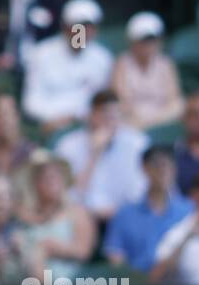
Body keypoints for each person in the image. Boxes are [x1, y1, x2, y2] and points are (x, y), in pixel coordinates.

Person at [53, 88, 148, 223]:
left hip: (124, 217)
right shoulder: (68, 146)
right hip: (83, 219)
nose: (110, 123)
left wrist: (117, 212)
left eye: (115, 117)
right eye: (105, 117)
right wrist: (94, 155)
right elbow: (68, 196)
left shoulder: (136, 144)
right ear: (91, 115)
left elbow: (139, 192)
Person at [21, 0, 113, 133]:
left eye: (90, 27)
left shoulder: (103, 58)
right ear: (65, 27)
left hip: (91, 126)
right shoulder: (41, 54)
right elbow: (31, 103)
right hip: (53, 126)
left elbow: (104, 101)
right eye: (79, 27)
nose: (85, 33)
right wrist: (59, 117)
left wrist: (79, 117)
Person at [102, 144, 194, 273]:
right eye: (157, 165)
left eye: (168, 165)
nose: (163, 170)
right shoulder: (125, 214)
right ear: (145, 168)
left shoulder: (189, 210)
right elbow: (115, 254)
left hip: (180, 284)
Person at [14, 150, 97, 280]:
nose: (52, 181)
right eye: (45, 177)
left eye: (56, 176)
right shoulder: (24, 216)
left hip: (68, 281)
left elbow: (83, 251)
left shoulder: (77, 212)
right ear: (35, 183)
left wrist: (52, 248)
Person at [110, 11, 182, 130]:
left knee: (180, 106)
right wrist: (141, 119)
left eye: (151, 39)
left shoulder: (165, 64)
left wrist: (154, 120)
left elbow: (174, 99)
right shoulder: (122, 64)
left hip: (161, 118)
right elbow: (122, 101)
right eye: (143, 40)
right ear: (132, 42)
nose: (148, 45)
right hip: (132, 120)